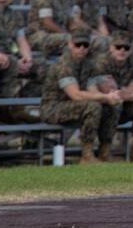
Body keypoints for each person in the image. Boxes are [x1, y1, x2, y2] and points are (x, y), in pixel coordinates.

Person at [40, 30, 121, 164]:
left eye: (85, 45)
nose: (82, 48)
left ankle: (104, 151)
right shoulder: (64, 65)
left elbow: (92, 90)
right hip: (53, 108)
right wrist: (106, 97)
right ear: (70, 44)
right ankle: (87, 155)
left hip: (74, 107)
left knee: (109, 107)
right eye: (78, 45)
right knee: (93, 106)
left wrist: (108, 97)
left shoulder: (87, 65)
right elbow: (75, 95)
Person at [87, 30, 133, 161]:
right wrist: (129, 94)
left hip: (123, 104)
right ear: (111, 48)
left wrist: (125, 93)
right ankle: (104, 151)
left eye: (126, 48)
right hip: (102, 106)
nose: (122, 50)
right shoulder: (101, 63)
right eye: (118, 47)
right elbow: (109, 90)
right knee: (114, 104)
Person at [26, 0, 75, 89]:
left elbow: (70, 21)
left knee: (84, 41)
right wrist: (68, 35)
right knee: (72, 41)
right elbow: (47, 23)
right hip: (39, 35)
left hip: (58, 36)